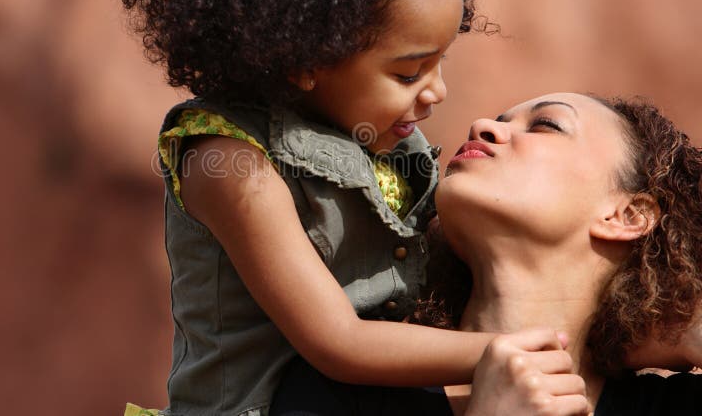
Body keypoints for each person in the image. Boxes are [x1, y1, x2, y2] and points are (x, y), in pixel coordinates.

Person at [119, 0, 589, 415]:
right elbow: (338, 342)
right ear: (305, 60)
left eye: (441, 62)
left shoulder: (388, 139)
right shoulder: (227, 158)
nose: (436, 92)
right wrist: (512, 352)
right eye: (409, 72)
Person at [272, 92, 702, 415]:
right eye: (499, 119)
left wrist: (690, 326)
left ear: (627, 214)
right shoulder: (344, 391)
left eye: (546, 125)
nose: (482, 126)